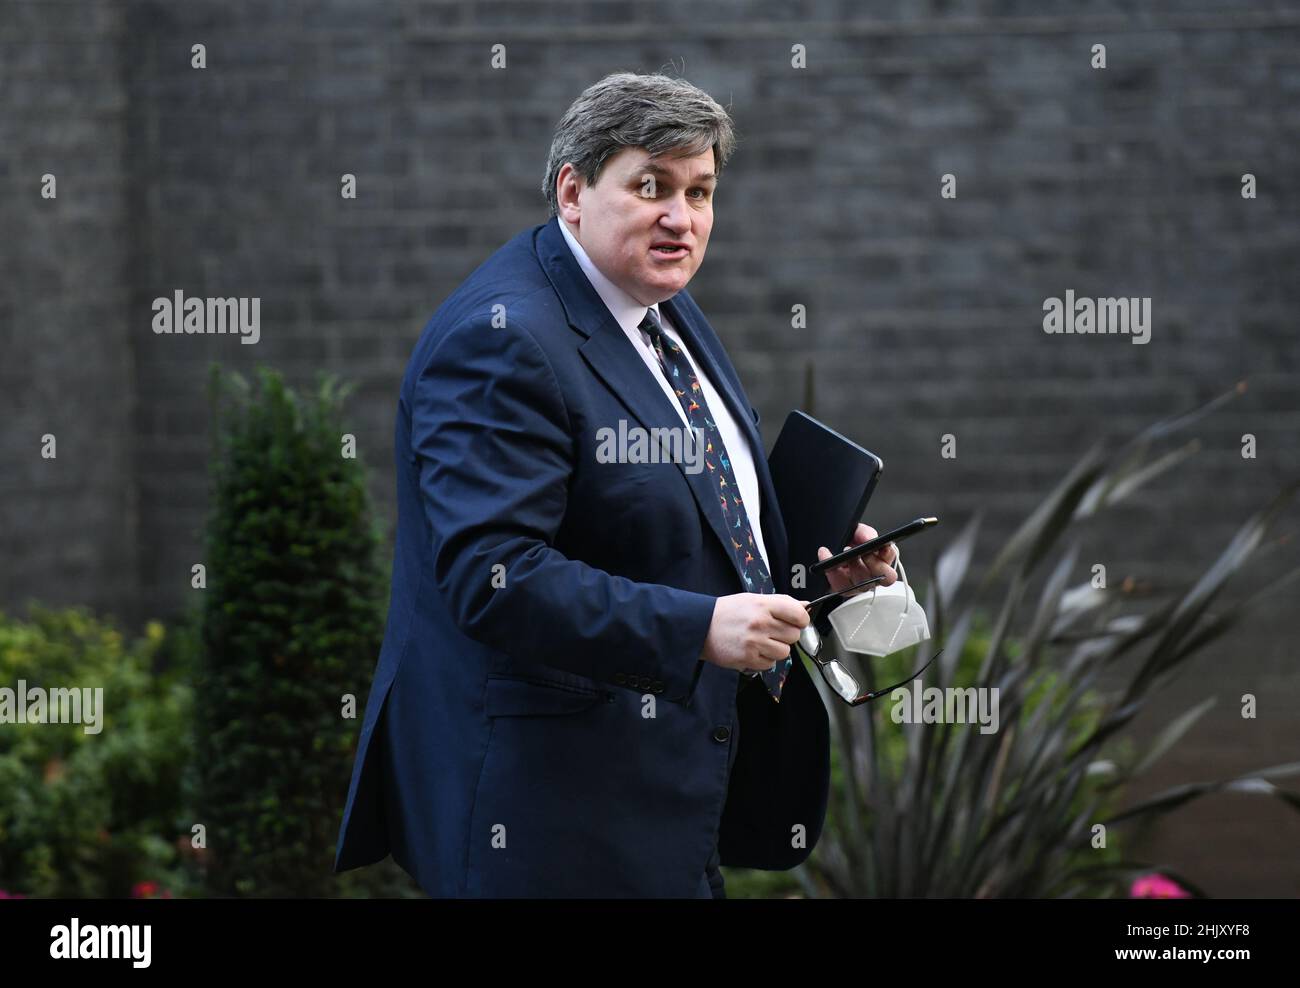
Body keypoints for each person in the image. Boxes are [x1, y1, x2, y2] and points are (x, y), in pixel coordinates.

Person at [334, 71, 897, 898]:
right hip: (551, 826)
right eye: (651, 186)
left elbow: (686, 515)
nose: (683, 217)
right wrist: (699, 627)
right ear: (573, 190)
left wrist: (808, 574)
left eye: (700, 191)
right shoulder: (502, 344)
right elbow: (493, 578)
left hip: (667, 800)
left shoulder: (655, 302)